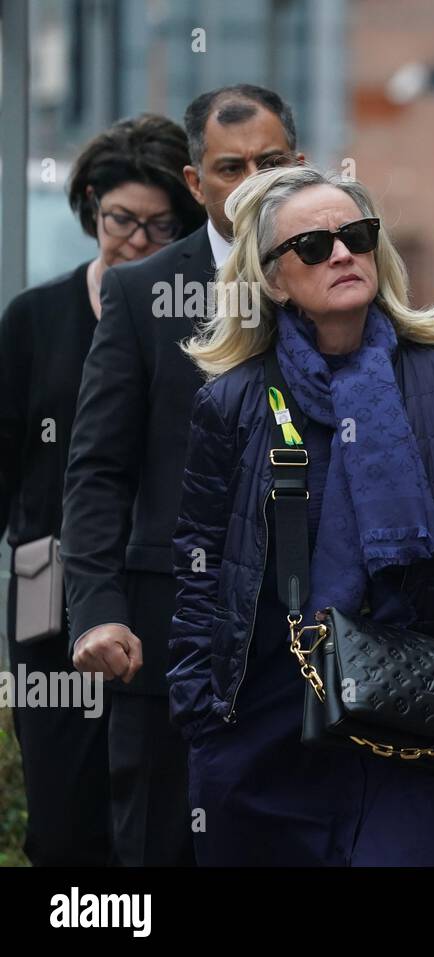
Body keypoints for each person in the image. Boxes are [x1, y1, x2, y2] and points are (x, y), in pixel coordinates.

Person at [168, 165, 434, 866]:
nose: (340, 253)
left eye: (355, 236)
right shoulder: (235, 400)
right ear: (272, 277)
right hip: (268, 727)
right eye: (312, 246)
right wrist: (201, 719)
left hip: (414, 717)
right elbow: (201, 570)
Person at [60, 84, 304, 866]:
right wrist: (96, 608)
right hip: (165, 642)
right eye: (231, 167)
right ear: (196, 183)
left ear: (297, 167)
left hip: (304, 642)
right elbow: (98, 469)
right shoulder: (140, 294)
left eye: (270, 162)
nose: (253, 181)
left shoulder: (335, 281)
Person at [0, 114, 203, 866]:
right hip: (47, 592)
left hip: (155, 593)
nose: (140, 243)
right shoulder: (35, 319)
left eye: (162, 226)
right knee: (64, 819)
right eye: (123, 220)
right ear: (89, 204)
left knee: (152, 820)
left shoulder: (190, 316)